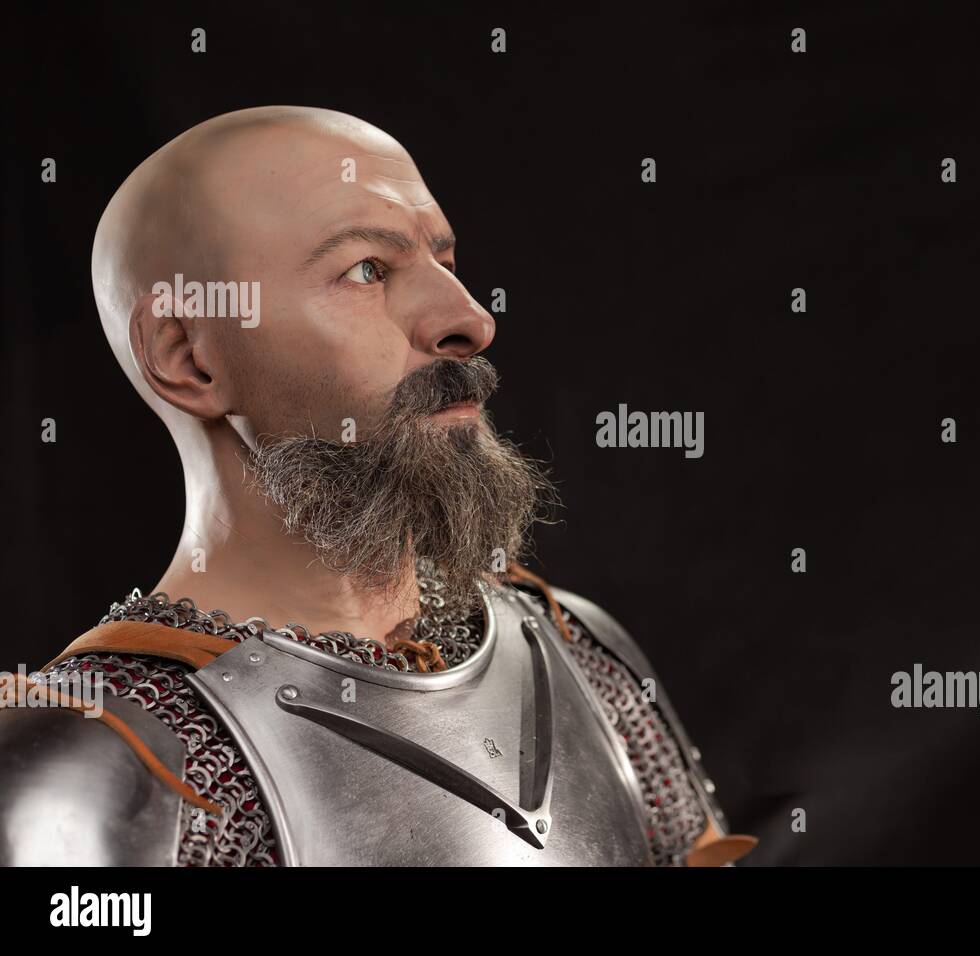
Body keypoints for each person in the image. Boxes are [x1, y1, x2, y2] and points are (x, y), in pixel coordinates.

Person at [0, 106, 756, 867]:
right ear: (190, 356)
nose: (469, 321)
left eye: (445, 261)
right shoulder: (100, 762)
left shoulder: (577, 654)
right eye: (367, 270)